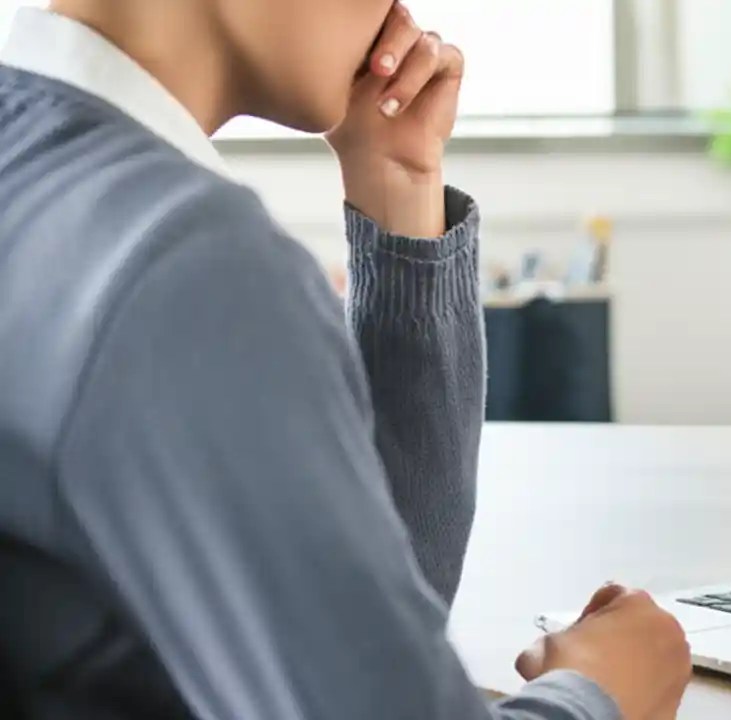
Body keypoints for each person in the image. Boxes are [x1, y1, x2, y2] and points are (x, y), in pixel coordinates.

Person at [0, 1, 691, 718]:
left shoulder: (44, 179)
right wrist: (600, 696)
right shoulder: (184, 266)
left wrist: (397, 181)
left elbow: (355, 631)